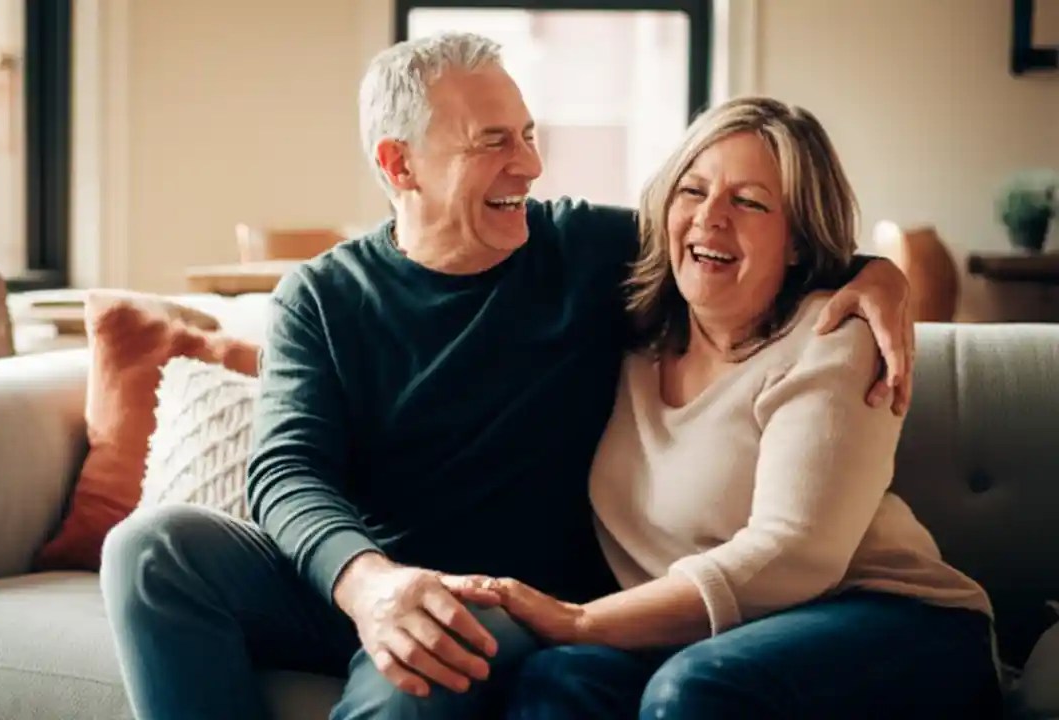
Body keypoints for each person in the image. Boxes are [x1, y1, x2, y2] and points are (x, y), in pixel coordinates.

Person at [99, 33, 914, 720]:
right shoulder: (321, 296)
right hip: (365, 576)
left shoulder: (586, 251)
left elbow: (742, 241)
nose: (529, 164)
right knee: (151, 547)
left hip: (498, 595)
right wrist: (367, 583)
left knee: (416, 680)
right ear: (400, 164)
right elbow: (286, 471)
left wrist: (881, 276)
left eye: (527, 134)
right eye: (493, 143)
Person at [444, 97, 998, 719]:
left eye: (750, 202)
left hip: (893, 623)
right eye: (693, 191)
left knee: (695, 690)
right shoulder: (626, 334)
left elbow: (795, 553)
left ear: (797, 240)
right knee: (557, 681)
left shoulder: (834, 333)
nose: (711, 218)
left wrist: (581, 621)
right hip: (708, 639)